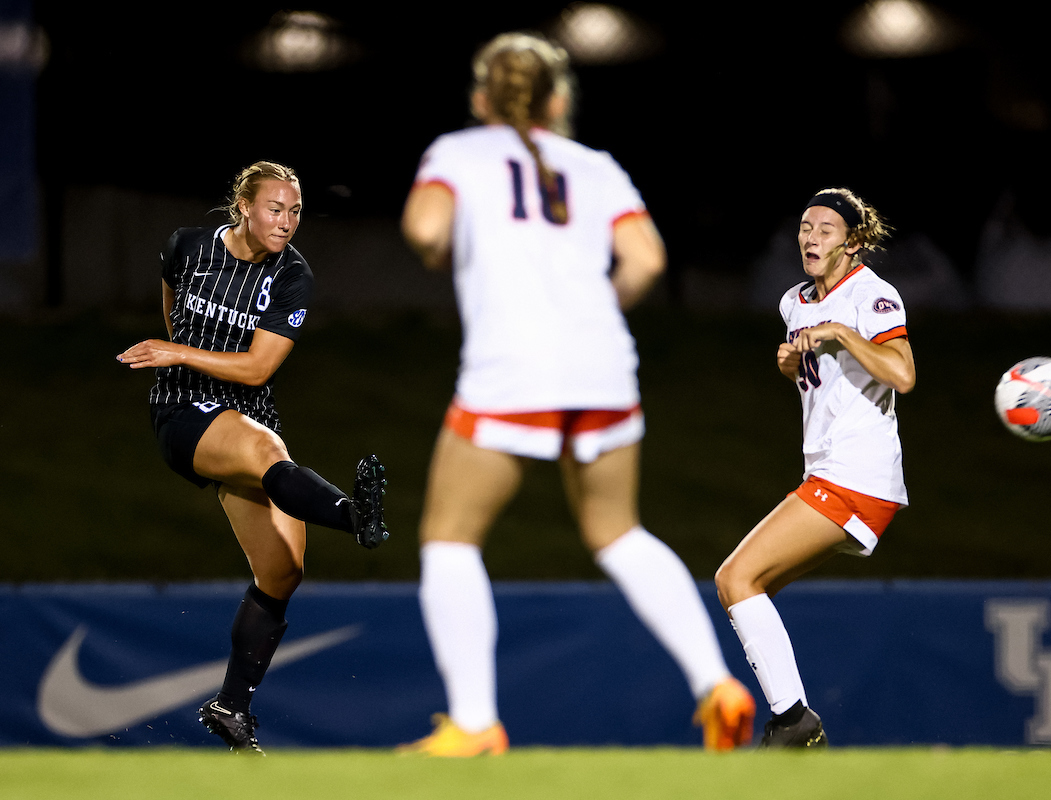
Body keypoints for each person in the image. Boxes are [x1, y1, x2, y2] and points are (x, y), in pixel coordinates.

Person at [397, 32, 756, 756]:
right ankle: (716, 682)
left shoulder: (457, 154)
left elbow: (425, 227)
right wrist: (594, 308)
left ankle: (473, 721)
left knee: (449, 536)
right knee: (618, 533)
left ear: (480, 100)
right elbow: (646, 259)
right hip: (602, 363)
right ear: (559, 101)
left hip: (511, 368)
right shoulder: (597, 166)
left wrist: (443, 250)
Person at [117, 161, 389, 753]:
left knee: (283, 571)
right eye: (275, 208)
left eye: (294, 211)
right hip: (184, 413)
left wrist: (179, 350)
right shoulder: (186, 247)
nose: (287, 222)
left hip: (246, 416)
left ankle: (232, 707)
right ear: (242, 206)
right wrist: (179, 357)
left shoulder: (293, 277)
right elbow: (171, 301)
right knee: (267, 451)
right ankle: (353, 516)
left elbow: (260, 368)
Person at [714, 188, 915, 748]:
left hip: (857, 474)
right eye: (805, 227)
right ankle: (792, 723)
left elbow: (902, 375)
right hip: (827, 471)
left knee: (735, 577)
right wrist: (789, 364)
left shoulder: (872, 295)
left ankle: (792, 721)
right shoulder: (795, 301)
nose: (811, 237)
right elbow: (819, 379)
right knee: (747, 592)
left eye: (826, 229)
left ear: (851, 242)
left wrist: (843, 333)